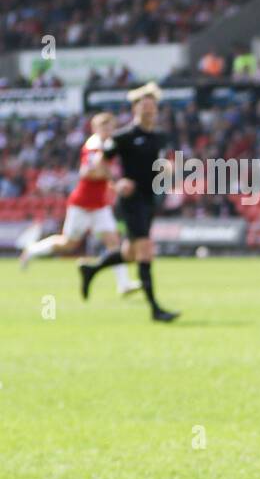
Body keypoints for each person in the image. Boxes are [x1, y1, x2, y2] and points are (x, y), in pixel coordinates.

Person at [77, 83, 180, 322]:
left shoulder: (161, 136)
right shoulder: (123, 136)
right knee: (146, 250)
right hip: (131, 201)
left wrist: (169, 168)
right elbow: (101, 164)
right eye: (144, 105)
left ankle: (91, 269)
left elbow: (167, 161)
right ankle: (155, 309)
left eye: (152, 105)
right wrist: (116, 182)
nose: (149, 109)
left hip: (150, 198)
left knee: (131, 253)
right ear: (135, 108)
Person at [19, 112, 141, 297]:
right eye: (104, 127)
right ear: (95, 129)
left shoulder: (109, 145)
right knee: (68, 244)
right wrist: (112, 178)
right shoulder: (93, 146)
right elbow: (86, 173)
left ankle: (123, 284)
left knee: (113, 242)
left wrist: (111, 182)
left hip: (100, 205)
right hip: (82, 204)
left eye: (110, 127)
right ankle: (32, 250)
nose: (108, 131)